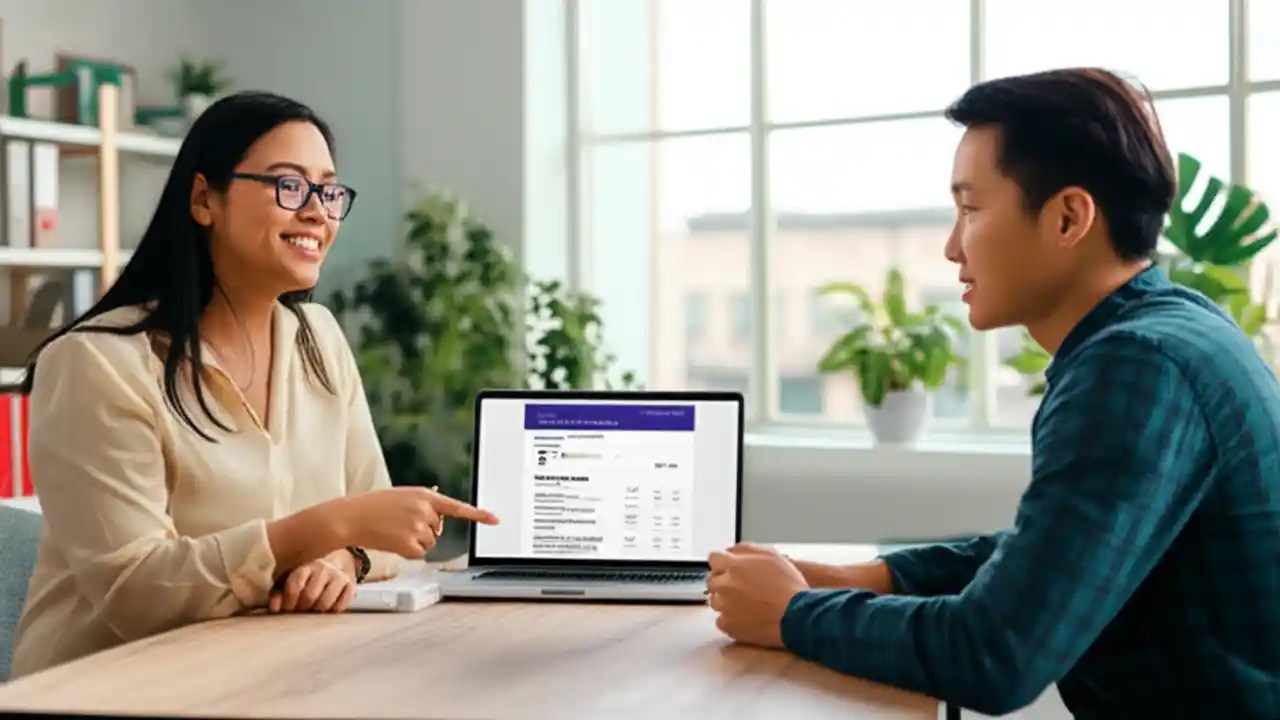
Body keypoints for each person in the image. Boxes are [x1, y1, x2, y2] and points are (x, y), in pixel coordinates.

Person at [705, 68, 1280, 716]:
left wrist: (792, 614)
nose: (953, 247)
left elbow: (994, 654)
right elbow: (1050, 553)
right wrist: (870, 578)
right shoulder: (1177, 324)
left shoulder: (1135, 366)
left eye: (971, 209)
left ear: (1068, 218)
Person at [9, 91, 499, 679]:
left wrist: (342, 561)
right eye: (289, 186)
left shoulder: (316, 336)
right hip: (108, 686)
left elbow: (381, 532)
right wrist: (328, 528)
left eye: (329, 191)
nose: (318, 211)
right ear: (202, 200)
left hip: (268, 672)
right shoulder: (97, 364)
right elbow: (135, 591)